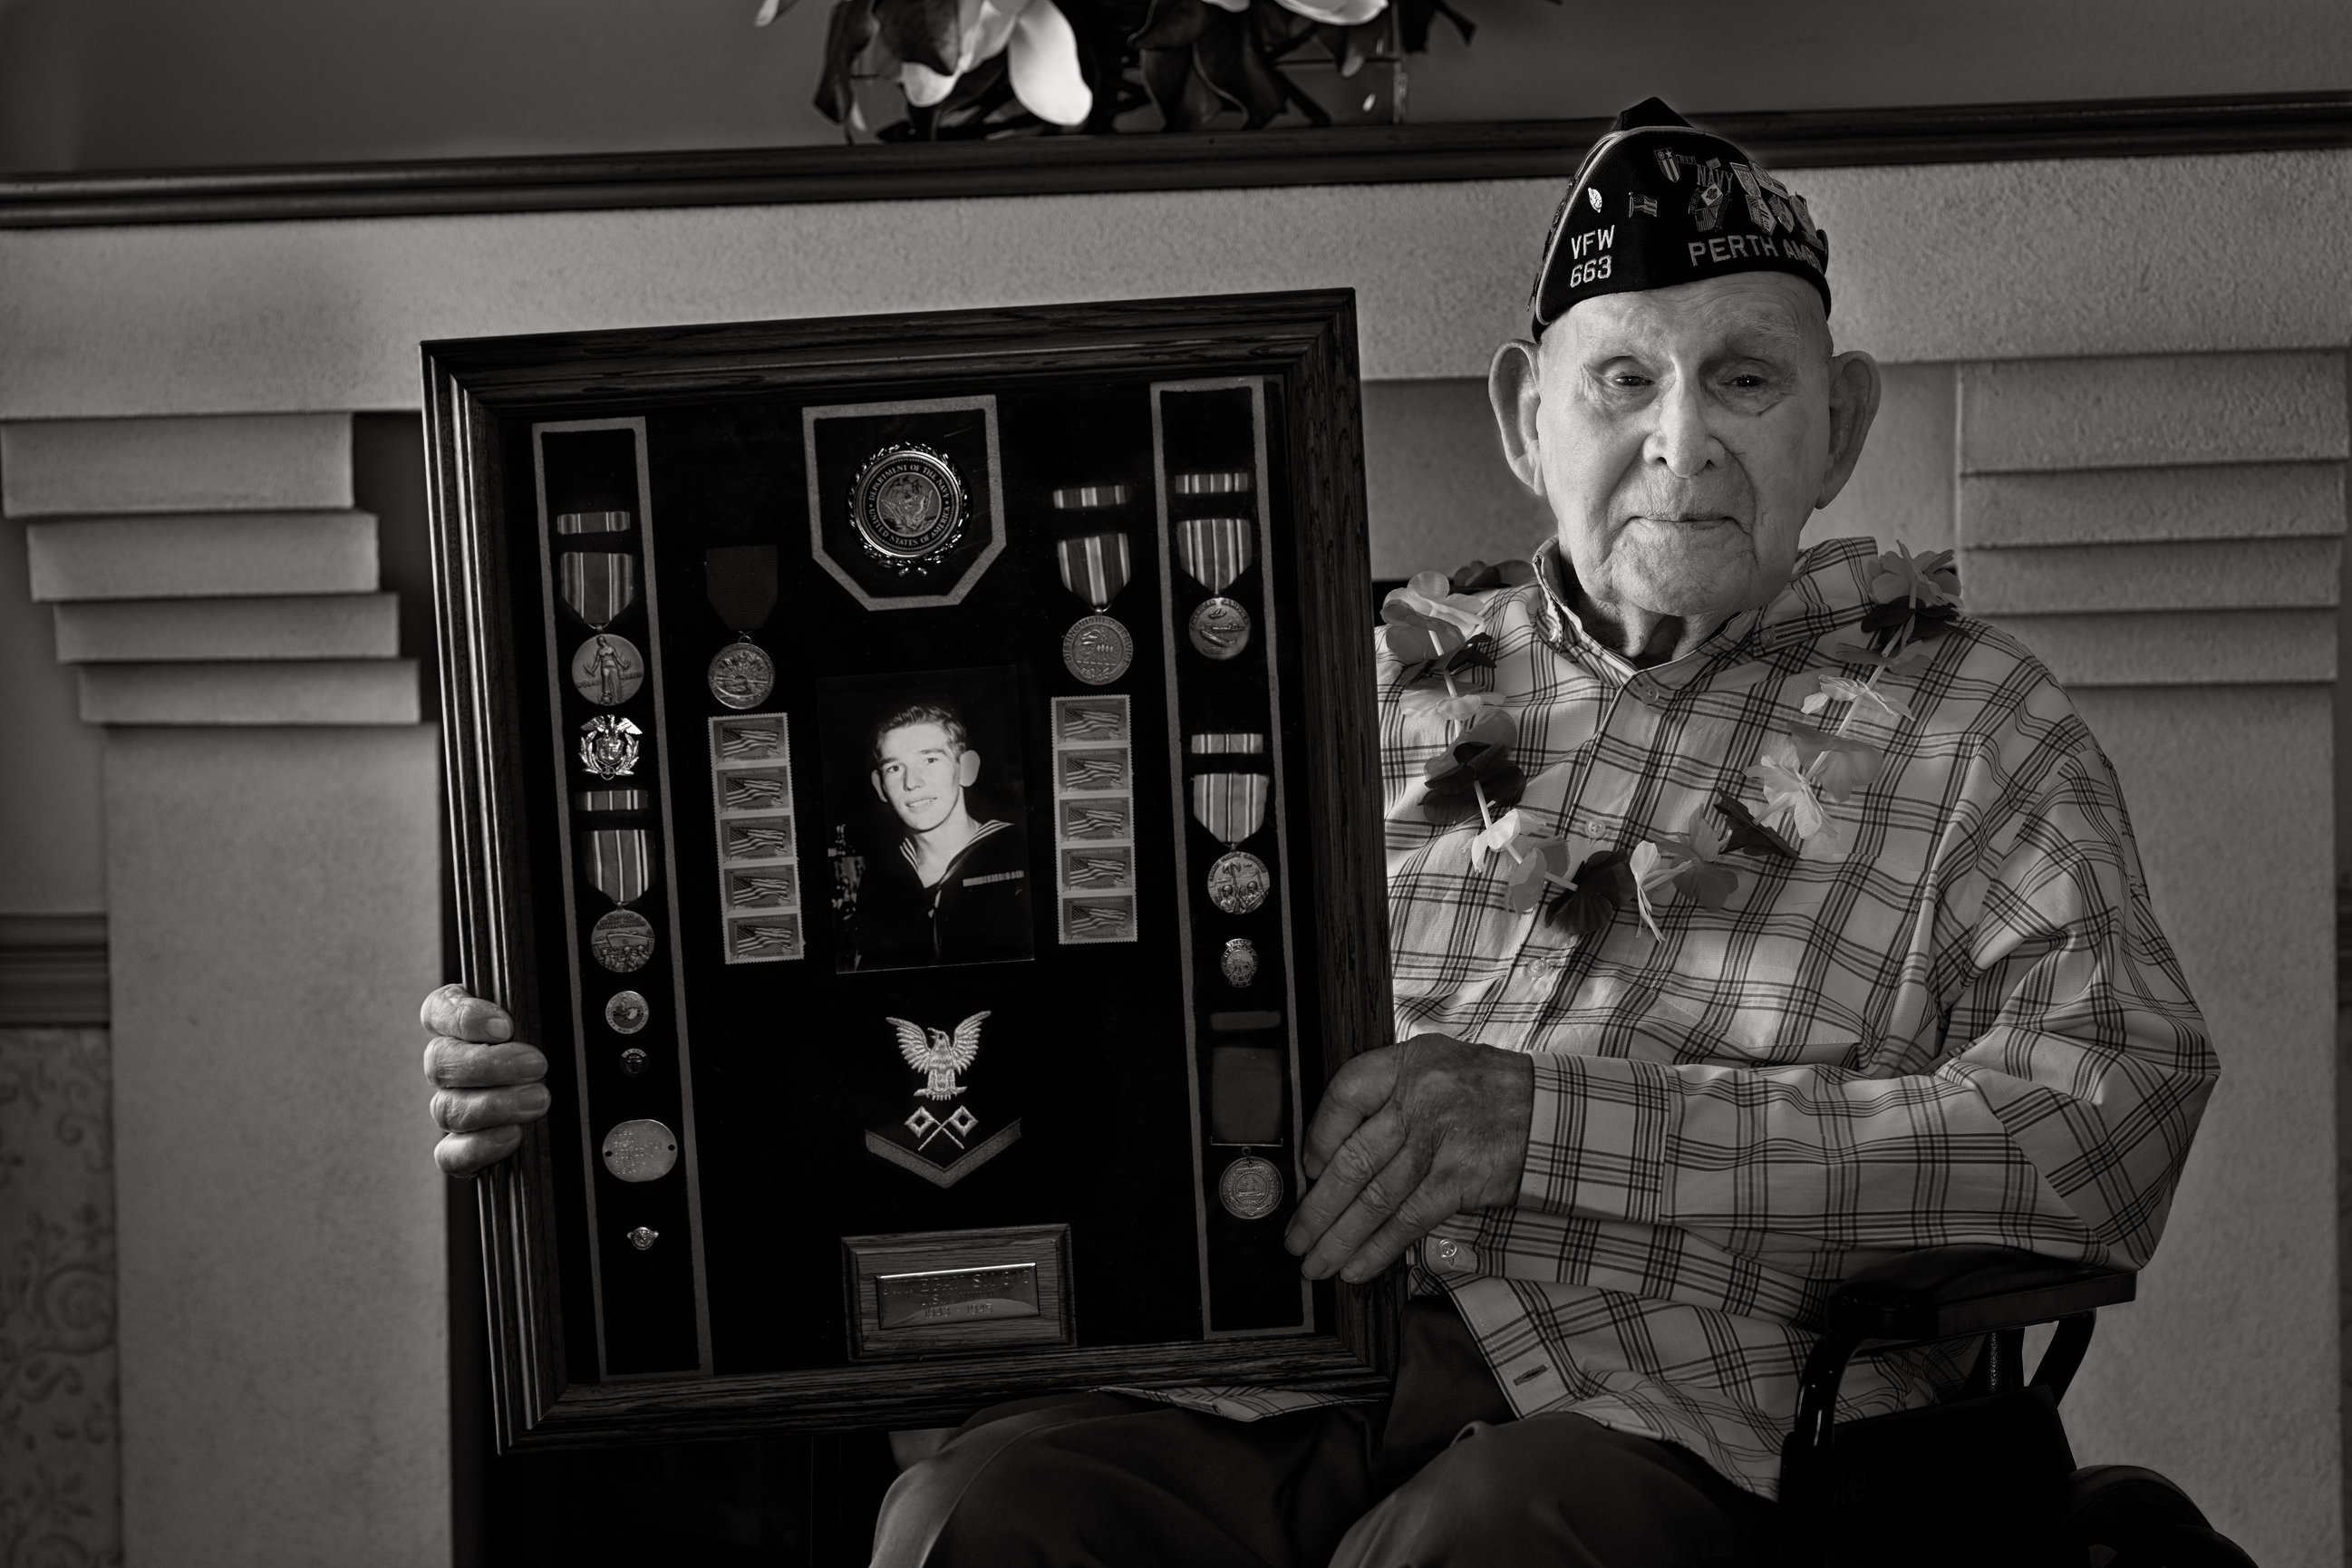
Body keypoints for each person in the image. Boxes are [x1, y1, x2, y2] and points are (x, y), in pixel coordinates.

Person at [420, 99, 2215, 1566]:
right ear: (1526, 416)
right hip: (1261, 1382)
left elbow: (2104, 1119)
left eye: (1743, 379)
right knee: (979, 1516)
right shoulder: (1324, 675)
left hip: (1674, 1419)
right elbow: (976, 955)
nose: (1682, 444)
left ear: (1840, 423)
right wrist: (585, 1074)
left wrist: (1551, 1125)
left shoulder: (1974, 717)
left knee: (1480, 1546)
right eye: (1622, 382)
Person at [845, 698, 1032, 970]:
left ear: (966, 769)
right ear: (880, 786)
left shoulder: (1019, 856)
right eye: (894, 768)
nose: (912, 782)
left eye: (930, 759)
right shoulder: (879, 882)